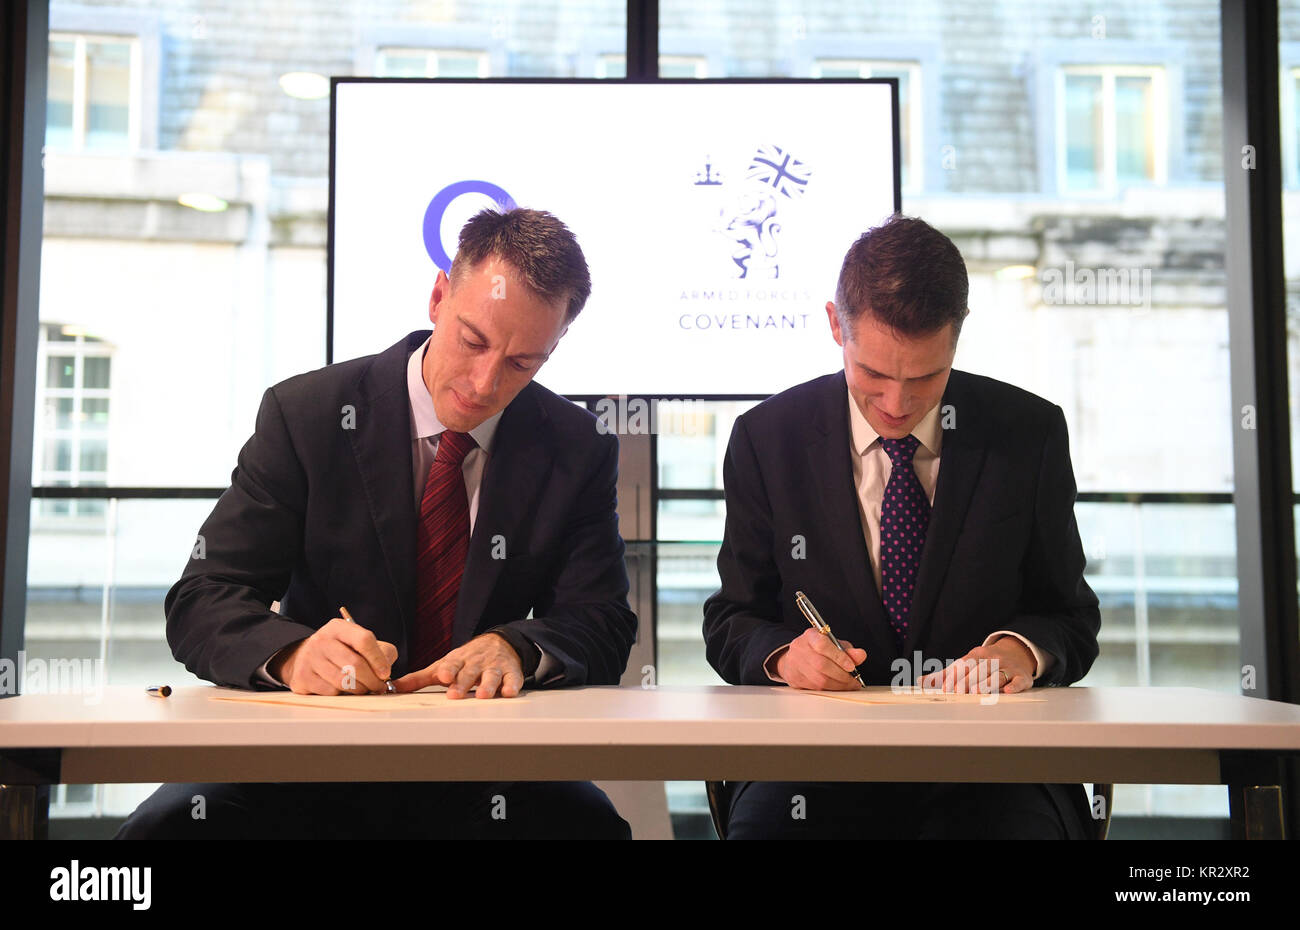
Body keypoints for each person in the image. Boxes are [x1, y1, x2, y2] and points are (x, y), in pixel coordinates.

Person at [117, 207, 636, 840]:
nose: (483, 383)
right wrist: (290, 653)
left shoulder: (575, 445)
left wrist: (519, 648)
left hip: (488, 765)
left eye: (522, 363)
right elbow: (201, 600)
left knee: (584, 830)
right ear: (439, 295)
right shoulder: (307, 414)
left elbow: (602, 623)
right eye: (473, 341)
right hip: (308, 756)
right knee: (164, 836)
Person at [702, 214, 1101, 839]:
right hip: (815, 763)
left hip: (991, 765)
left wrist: (1017, 653)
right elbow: (732, 620)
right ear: (837, 326)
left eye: (924, 379)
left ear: (956, 338)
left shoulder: (1028, 434)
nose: (896, 404)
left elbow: (1071, 618)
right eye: (874, 376)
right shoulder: (766, 438)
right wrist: (785, 658)